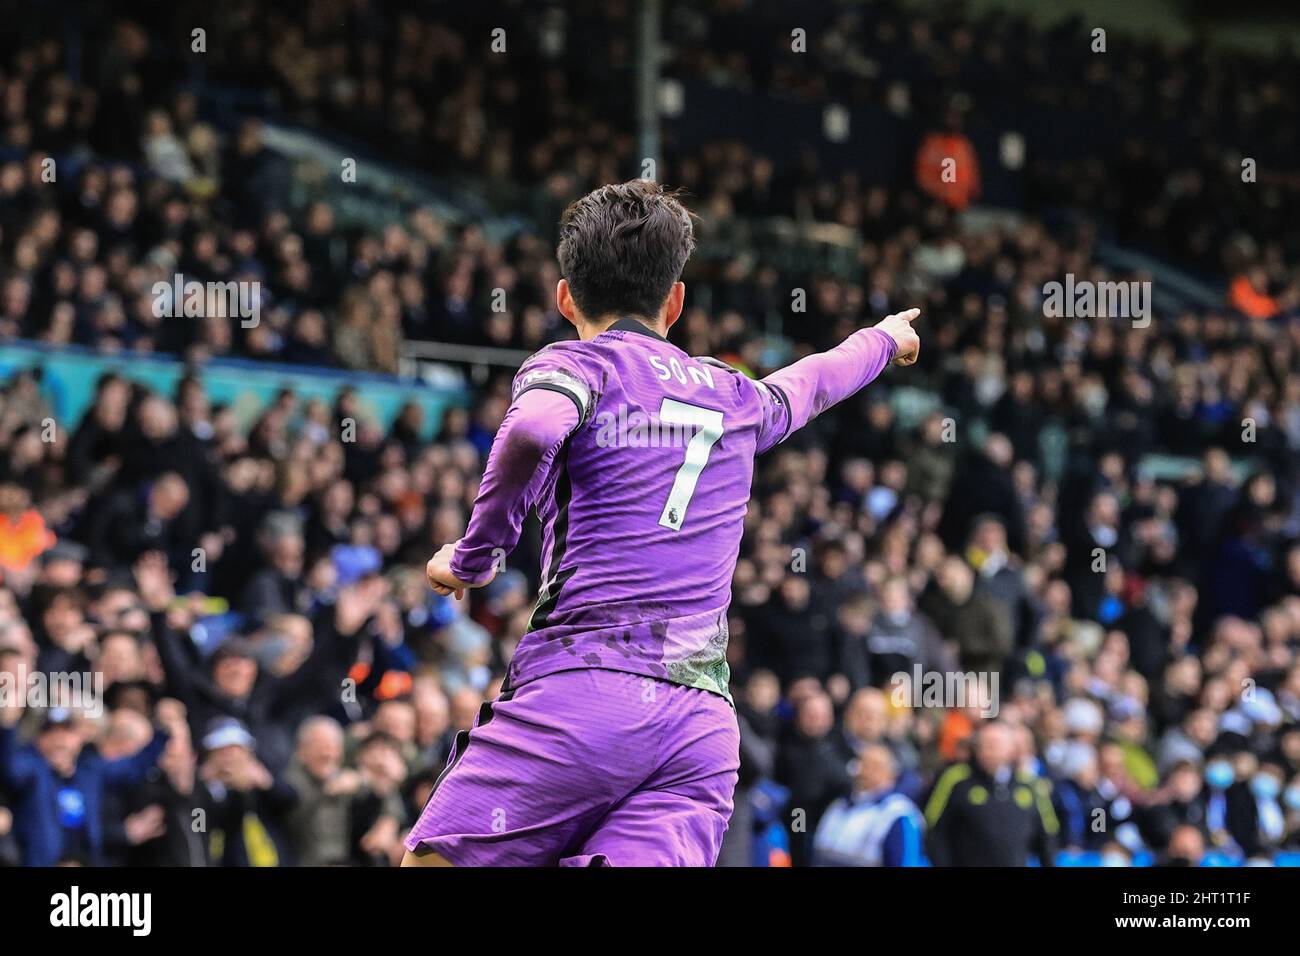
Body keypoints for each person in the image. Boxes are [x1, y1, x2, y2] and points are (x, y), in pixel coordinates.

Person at [403, 179, 921, 867]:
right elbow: (815, 380)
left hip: (583, 695)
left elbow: (530, 431)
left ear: (566, 299)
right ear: (674, 302)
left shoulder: (576, 364)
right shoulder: (735, 395)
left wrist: (474, 558)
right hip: (698, 735)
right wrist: (884, 340)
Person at [924, 721, 1059, 867]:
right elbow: (933, 828)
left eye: (995, 744)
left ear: (1011, 749)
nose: (988, 750)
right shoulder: (956, 780)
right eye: (983, 744)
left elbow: (1048, 834)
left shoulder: (1031, 785)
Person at [813, 743, 926, 866]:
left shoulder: (898, 813)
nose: (863, 771)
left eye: (873, 766)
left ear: (890, 773)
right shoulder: (839, 805)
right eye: (861, 763)